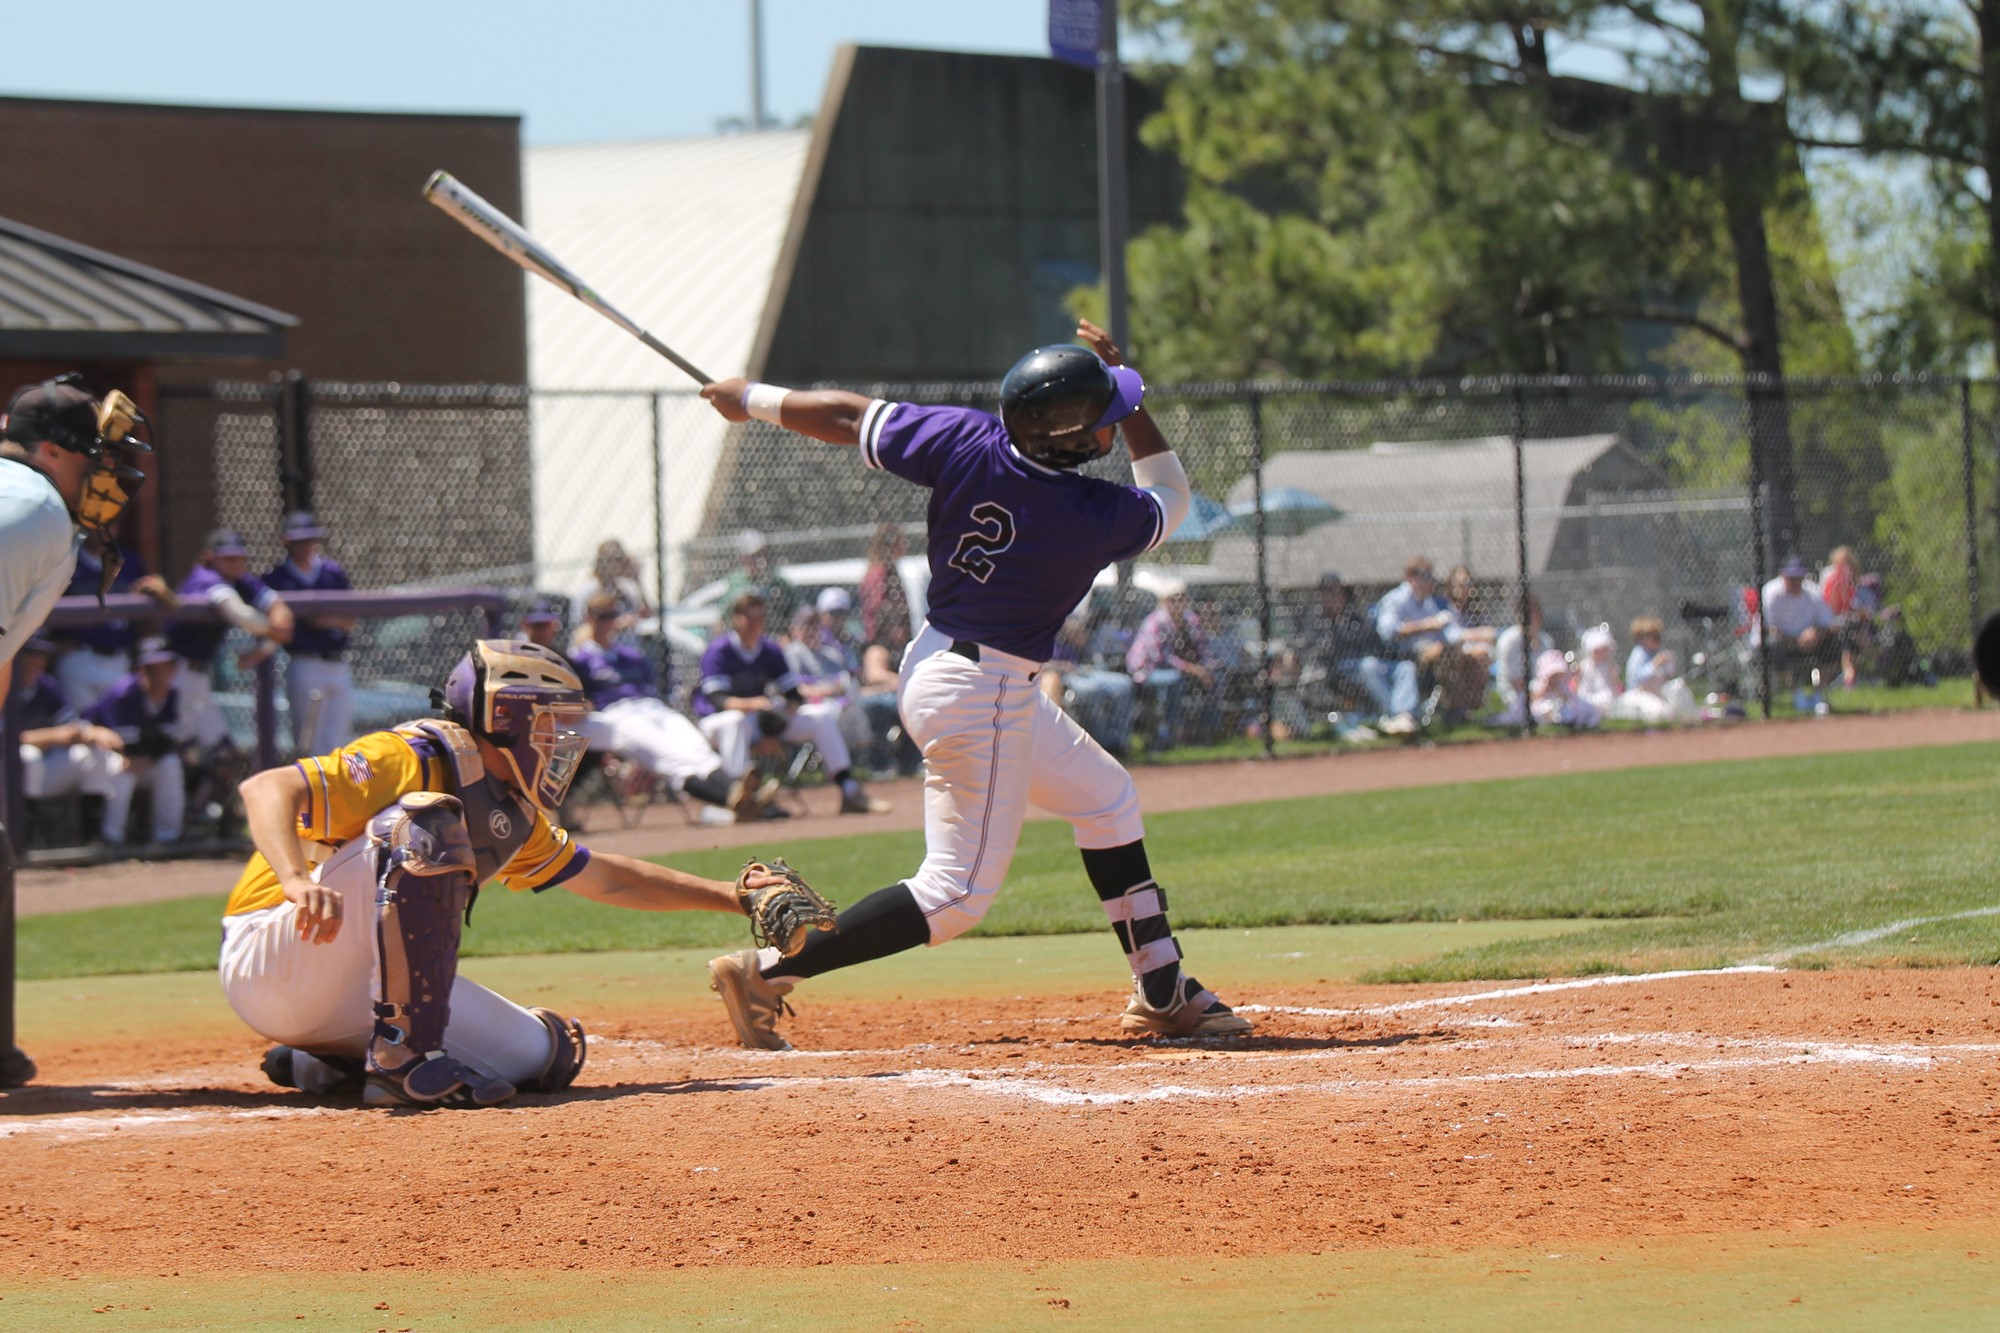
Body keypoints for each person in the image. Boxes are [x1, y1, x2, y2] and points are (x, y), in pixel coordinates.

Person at [697, 317, 1251, 1046]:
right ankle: (767, 971)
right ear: (1073, 439)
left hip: (943, 664)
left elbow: (842, 414)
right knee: (954, 896)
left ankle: (1160, 985)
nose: (1113, 424)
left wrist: (753, 399)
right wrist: (1134, 398)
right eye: (1104, 419)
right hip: (981, 690)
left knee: (1106, 797)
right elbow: (1171, 492)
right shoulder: (1091, 513)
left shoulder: (966, 438)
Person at [221, 639, 811, 1108]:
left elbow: (605, 878)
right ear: (507, 719)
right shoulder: (413, 757)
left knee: (547, 1057)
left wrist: (731, 897)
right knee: (423, 825)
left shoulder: (507, 809)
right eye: (550, 724)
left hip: (345, 991)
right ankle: (404, 1061)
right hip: (276, 948)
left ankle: (320, 1060)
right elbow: (267, 786)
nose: (561, 741)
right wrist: (296, 877)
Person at [0, 374, 152, 1086]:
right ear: (55, 452)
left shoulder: (27, 503)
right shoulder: (30, 506)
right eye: (95, 456)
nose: (106, 475)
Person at [568, 592, 755, 821]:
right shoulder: (580, 658)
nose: (608, 621)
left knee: (697, 748)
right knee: (672, 758)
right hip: (618, 715)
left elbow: (651, 687)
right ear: (588, 618)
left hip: (654, 708)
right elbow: (577, 699)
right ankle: (735, 799)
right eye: (602, 616)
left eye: (612, 615)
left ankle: (743, 799)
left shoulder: (630, 655)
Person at [166, 529, 295, 749]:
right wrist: (274, 631)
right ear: (210, 557)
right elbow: (238, 613)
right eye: (228, 558)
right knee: (179, 751)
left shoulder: (239, 580)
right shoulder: (204, 578)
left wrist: (264, 648)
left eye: (240, 558)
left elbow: (279, 608)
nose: (236, 563)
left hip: (197, 675)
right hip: (171, 674)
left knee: (221, 752)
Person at [263, 510, 358, 757]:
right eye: (298, 541)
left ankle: (336, 795)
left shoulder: (331, 571)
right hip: (305, 662)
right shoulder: (278, 577)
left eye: (308, 540)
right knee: (309, 741)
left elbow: (351, 619)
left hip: (337, 662)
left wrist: (323, 620)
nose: (304, 546)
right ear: (287, 542)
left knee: (340, 742)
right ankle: (313, 795)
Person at [12, 635, 122, 840]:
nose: (36, 662)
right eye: (30, 655)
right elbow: (6, 739)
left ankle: (93, 838)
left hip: (46, 770)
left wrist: (94, 732)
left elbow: (71, 725)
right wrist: (52, 735)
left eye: (41, 655)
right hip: (8, 775)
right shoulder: (3, 685)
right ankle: (25, 841)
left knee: (94, 754)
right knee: (27, 756)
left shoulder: (46, 685)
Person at [85, 638, 193, 847]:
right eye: (153, 669)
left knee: (170, 765)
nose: (159, 676)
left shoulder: (173, 694)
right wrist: (146, 754)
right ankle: (111, 838)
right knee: (122, 770)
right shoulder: (125, 694)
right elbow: (125, 744)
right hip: (100, 751)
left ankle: (168, 837)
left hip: (142, 757)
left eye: (165, 668)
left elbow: (170, 740)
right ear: (141, 670)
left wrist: (149, 757)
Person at [56, 530, 179, 711]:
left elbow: (146, 594)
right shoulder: (68, 560)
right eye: (99, 524)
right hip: (81, 655)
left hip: (120, 657)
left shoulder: (129, 559)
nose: (104, 530)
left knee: (116, 727)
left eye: (112, 523)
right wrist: (57, 643)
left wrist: (150, 588)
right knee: (83, 727)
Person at [1374, 555, 1488, 722]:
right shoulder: (1395, 600)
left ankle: (1469, 710)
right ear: (1411, 578)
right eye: (1426, 576)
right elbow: (1387, 631)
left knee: (1475, 655)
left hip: (1437, 652)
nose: (1431, 582)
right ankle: (1454, 710)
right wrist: (1423, 626)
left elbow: (1449, 633)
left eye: (1431, 577)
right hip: (1405, 655)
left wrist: (1475, 639)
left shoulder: (1429, 602)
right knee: (1447, 651)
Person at [1304, 572, 1418, 737]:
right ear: (1321, 595)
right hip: (1338, 670)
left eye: (1336, 592)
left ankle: (1404, 715)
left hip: (1371, 664)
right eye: (1328, 593)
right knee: (1369, 665)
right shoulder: (1316, 620)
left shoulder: (1354, 616)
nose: (1333, 597)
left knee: (1406, 667)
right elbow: (1317, 652)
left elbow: (1374, 642)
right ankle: (1393, 715)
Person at [1124, 576, 1221, 750]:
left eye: (1182, 598)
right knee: (1173, 681)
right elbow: (1162, 658)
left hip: (1179, 670)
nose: (1178, 603)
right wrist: (1194, 670)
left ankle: (1206, 733)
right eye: (1173, 599)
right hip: (1147, 670)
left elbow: (1203, 648)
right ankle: (1169, 734)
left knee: (1218, 677)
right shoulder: (1156, 622)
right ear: (1164, 601)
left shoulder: (1190, 620)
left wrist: (1208, 667)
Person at [1041, 606, 1137, 756]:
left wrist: (1070, 630)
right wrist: (1060, 665)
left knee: (1124, 684)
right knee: (1091, 691)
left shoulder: (1071, 609)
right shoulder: (1038, 620)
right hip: (1060, 674)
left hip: (1083, 669)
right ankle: (1102, 742)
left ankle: (1119, 741)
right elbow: (1038, 663)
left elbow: (1083, 643)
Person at [1758, 554, 1839, 712]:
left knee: (1834, 644)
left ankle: (1818, 695)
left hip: (1809, 642)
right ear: (1782, 575)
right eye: (1791, 577)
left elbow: (1831, 624)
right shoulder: (1771, 592)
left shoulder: (1812, 591)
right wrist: (1794, 641)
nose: (1794, 582)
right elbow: (1766, 627)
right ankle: (1797, 694)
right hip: (1782, 642)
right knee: (1773, 649)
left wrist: (1815, 633)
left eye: (1798, 577)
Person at [1620, 616, 1702, 723]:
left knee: (1678, 687)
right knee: (1662, 714)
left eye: (1657, 637)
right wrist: (1655, 664)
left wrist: (1668, 663)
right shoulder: (1638, 653)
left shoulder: (1652, 653)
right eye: (1653, 637)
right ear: (1642, 638)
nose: (1657, 640)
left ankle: (1693, 720)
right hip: (1638, 693)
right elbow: (1636, 678)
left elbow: (1669, 674)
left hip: (1655, 691)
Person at [1492, 594, 1555, 723]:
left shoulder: (1546, 641)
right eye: (1526, 615)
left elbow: (1552, 677)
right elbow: (1516, 683)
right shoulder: (1508, 641)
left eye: (1534, 614)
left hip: (1543, 694)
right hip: (1513, 696)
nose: (1531, 620)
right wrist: (1538, 693)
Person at [716, 528, 799, 628]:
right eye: (754, 556)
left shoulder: (777, 582)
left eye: (763, 553)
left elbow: (796, 612)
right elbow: (723, 617)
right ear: (742, 558)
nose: (761, 559)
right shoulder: (735, 582)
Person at [570, 539, 653, 636]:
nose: (615, 564)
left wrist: (637, 580)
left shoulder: (626, 587)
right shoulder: (589, 590)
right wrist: (616, 625)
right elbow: (578, 624)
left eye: (619, 559)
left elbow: (647, 614)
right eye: (610, 559)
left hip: (628, 646)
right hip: (598, 647)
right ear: (600, 562)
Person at [858, 521, 913, 654]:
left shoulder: (889, 569)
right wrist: (894, 630)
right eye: (901, 541)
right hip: (883, 641)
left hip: (892, 639)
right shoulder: (880, 571)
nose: (905, 545)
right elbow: (876, 606)